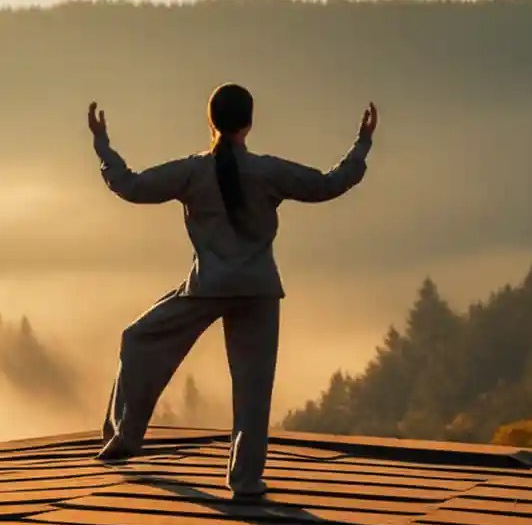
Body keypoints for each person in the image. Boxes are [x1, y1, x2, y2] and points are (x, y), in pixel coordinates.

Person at [87, 83, 376, 499]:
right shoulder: (266, 171)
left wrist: (102, 145)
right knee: (253, 387)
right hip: (258, 289)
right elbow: (328, 184)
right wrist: (362, 143)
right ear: (249, 124)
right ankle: (245, 480)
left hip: (208, 286)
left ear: (210, 121)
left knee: (138, 340)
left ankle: (125, 436)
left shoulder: (193, 171)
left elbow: (131, 186)